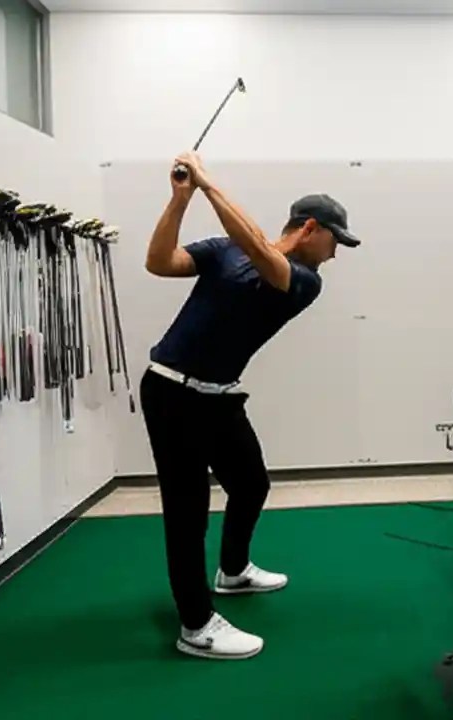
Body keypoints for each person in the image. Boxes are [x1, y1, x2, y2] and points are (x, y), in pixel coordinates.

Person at [139, 151, 360, 659]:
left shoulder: (303, 281)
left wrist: (209, 186)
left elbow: (260, 250)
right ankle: (195, 625)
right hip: (171, 390)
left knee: (251, 483)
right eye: (335, 240)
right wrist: (181, 199)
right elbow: (158, 261)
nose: (336, 253)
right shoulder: (222, 250)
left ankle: (233, 571)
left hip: (218, 396)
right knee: (188, 511)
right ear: (310, 228)